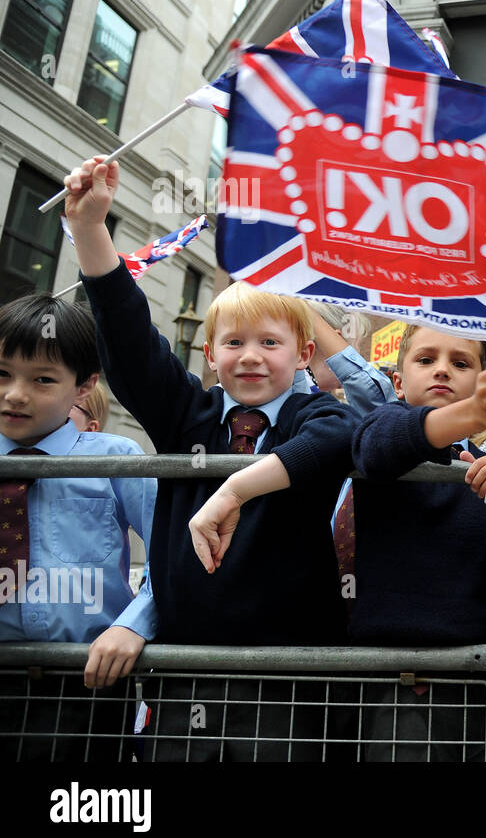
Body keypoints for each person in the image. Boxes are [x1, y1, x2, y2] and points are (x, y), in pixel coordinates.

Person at [64, 155, 360, 761]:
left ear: (304, 353)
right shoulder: (187, 415)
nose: (251, 356)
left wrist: (235, 490)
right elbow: (128, 340)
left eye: (270, 343)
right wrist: (93, 229)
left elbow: (341, 436)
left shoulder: (314, 417)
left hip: (290, 682)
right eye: (234, 342)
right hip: (184, 672)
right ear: (209, 353)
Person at [350, 324, 486, 760]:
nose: (442, 371)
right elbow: (378, 446)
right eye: (426, 360)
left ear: (482, 381)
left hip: (485, 683)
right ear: (398, 381)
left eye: (460, 363)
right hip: (397, 686)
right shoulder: (380, 427)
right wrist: (469, 414)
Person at [0, 294, 156, 760]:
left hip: (87, 683)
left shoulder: (116, 459)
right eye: (2, 373)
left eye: (43, 379)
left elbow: (176, 555)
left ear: (84, 386)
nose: (15, 393)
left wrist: (135, 626)